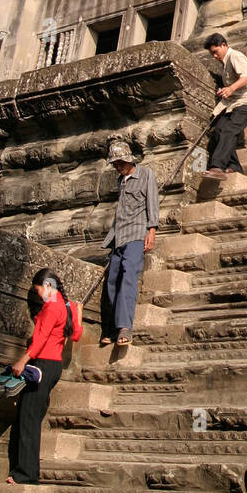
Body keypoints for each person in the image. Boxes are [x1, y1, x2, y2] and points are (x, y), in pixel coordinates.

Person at [6, 269, 82, 485]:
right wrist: (79, 314)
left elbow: (40, 338)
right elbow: (76, 334)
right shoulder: (67, 306)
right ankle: (22, 470)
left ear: (47, 285)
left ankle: (26, 474)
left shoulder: (51, 306)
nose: (38, 293)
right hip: (54, 366)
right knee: (26, 415)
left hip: (42, 364)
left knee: (28, 420)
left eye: (38, 289)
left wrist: (22, 360)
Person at [100, 139, 159, 347]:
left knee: (128, 277)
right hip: (119, 237)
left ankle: (125, 326)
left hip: (136, 233)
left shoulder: (145, 175)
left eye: (120, 163)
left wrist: (152, 231)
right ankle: (112, 328)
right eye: (115, 164)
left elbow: (152, 202)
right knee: (112, 281)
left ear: (128, 160)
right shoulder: (121, 181)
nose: (118, 167)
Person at [205, 33, 247, 175]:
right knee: (218, 131)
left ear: (224, 45)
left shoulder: (235, 56)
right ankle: (234, 166)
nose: (214, 57)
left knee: (229, 131)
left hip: (246, 103)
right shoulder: (225, 65)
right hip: (233, 105)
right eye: (212, 54)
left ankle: (217, 166)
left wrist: (230, 88)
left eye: (215, 52)